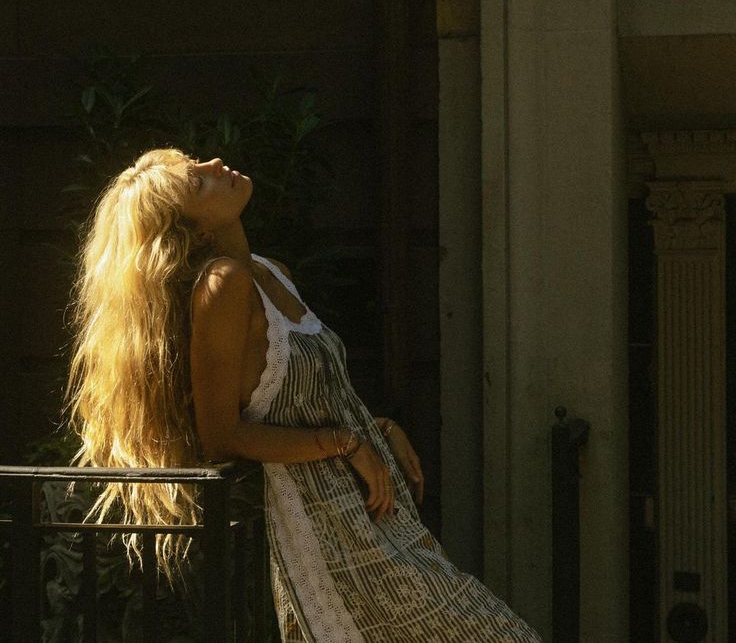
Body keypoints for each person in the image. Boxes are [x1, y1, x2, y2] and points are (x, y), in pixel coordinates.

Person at [66, 147, 541, 642]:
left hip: (372, 511)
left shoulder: (271, 273)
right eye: (196, 183)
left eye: (197, 162)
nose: (212, 165)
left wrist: (379, 430)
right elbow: (221, 436)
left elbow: (304, 400)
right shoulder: (221, 286)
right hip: (323, 526)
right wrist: (347, 444)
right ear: (196, 231)